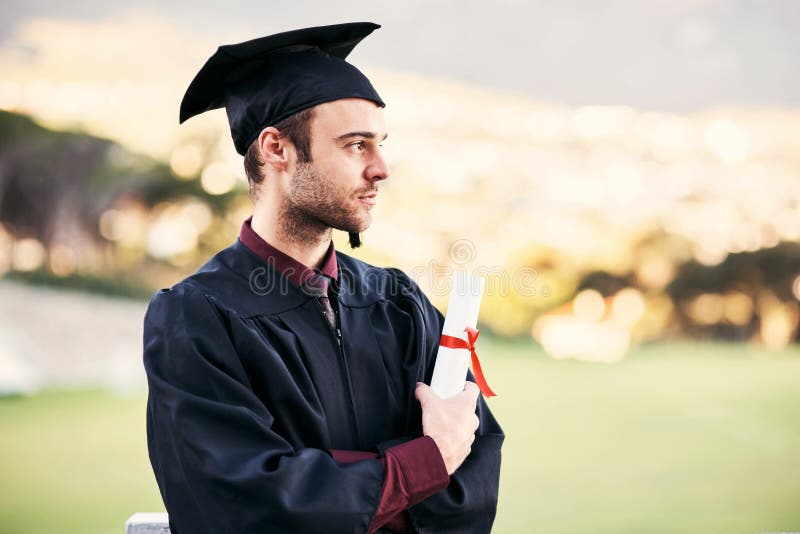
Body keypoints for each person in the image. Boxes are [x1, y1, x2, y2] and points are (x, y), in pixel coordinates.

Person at [143, 22, 503, 534]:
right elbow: (242, 508)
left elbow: (474, 477)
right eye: (357, 145)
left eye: (380, 144)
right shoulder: (196, 316)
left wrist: (337, 483)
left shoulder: (398, 301)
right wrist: (422, 464)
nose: (382, 169)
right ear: (276, 149)